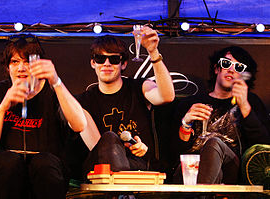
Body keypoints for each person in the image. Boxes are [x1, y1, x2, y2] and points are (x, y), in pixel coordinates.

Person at [0, 34, 87, 199]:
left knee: (44, 163)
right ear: (7, 67)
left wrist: (56, 82)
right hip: (7, 173)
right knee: (9, 162)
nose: (21, 68)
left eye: (27, 61)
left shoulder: (54, 91)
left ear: (38, 65)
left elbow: (80, 125)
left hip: (47, 172)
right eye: (14, 62)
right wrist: (3, 107)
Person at [75, 26, 175, 178]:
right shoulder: (84, 101)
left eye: (114, 59)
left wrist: (153, 53)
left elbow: (166, 96)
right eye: (100, 59)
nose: (107, 64)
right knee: (108, 139)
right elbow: (97, 149)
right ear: (93, 63)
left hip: (139, 167)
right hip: (103, 170)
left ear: (124, 64)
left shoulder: (138, 88)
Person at [172, 46, 270, 184]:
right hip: (192, 169)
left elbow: (263, 147)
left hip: (231, 170)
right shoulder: (191, 103)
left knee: (214, 143)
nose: (231, 69)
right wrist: (186, 123)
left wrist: (244, 106)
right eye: (226, 63)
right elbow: (175, 150)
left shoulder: (251, 102)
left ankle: (200, 193)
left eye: (239, 67)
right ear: (217, 68)